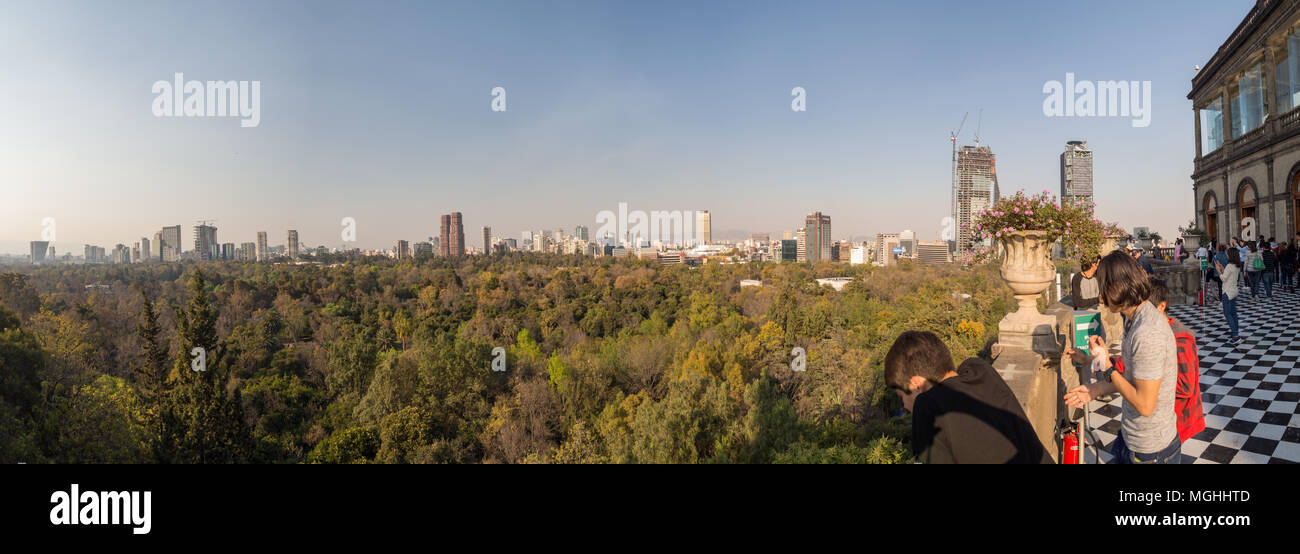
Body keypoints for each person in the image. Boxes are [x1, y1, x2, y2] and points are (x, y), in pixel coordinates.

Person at [1063, 251, 1179, 464]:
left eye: (1103, 288)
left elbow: (1145, 405)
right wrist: (1096, 388)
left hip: (1151, 451)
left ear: (1116, 287)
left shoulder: (1147, 332)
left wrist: (1107, 367)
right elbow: (1133, 379)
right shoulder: (1132, 319)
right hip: (1130, 439)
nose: (1101, 296)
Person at [885, 330, 1052, 464]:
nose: (904, 407)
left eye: (901, 396)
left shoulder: (927, 404)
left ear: (917, 385)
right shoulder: (981, 371)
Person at [1089, 280, 1205, 444]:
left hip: (1176, 419)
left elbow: (1186, 387)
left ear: (1161, 307)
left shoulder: (1180, 338)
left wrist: (1147, 382)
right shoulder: (1146, 330)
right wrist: (1099, 359)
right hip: (1151, 422)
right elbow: (1136, 362)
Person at [1216, 249, 1243, 345]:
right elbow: (1229, 275)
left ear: (1230, 255)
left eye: (1227, 254)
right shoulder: (1236, 265)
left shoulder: (1230, 266)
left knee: (1227, 314)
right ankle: (1235, 333)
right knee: (1233, 313)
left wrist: (1219, 270)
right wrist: (1223, 268)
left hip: (1227, 292)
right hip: (1234, 291)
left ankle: (1235, 336)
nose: (1226, 255)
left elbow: (1223, 278)